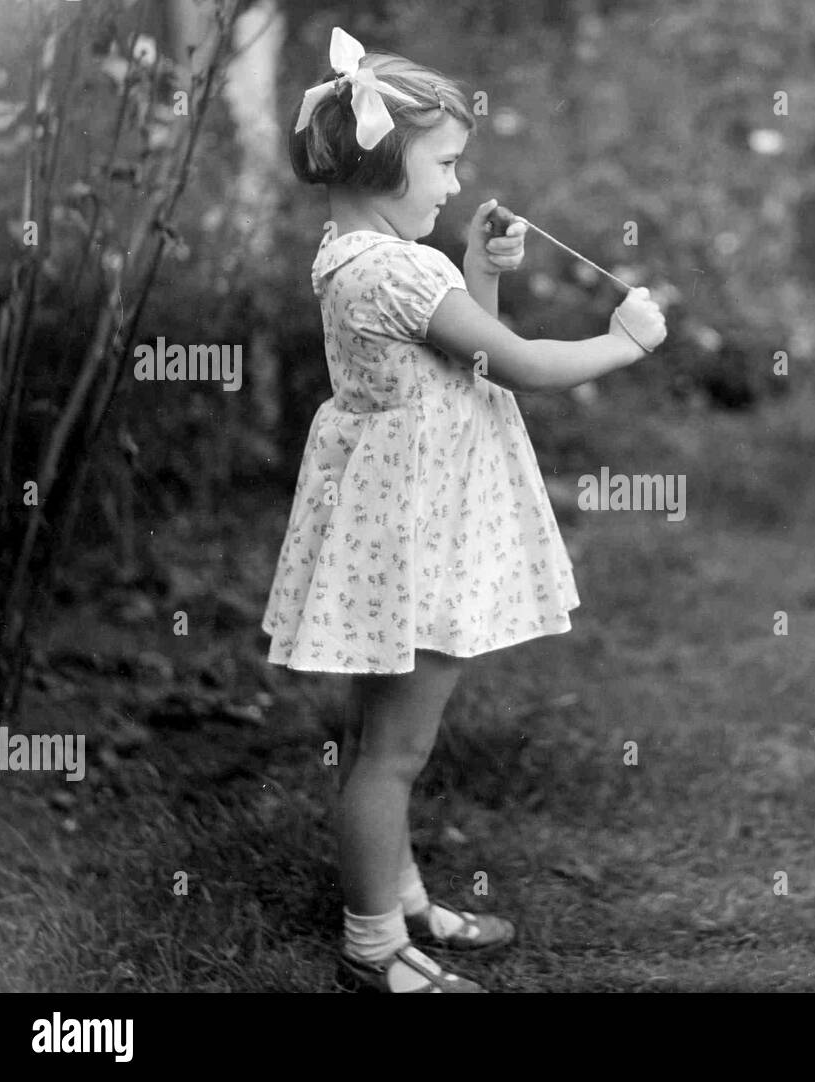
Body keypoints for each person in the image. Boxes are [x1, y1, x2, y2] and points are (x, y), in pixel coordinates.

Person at [262, 28, 667, 993]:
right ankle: (374, 947)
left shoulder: (351, 256)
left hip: (384, 533)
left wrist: (482, 268)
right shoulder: (404, 272)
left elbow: (464, 350)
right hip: (417, 537)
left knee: (374, 741)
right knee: (393, 754)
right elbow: (515, 363)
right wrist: (625, 343)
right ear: (385, 160)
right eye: (442, 165)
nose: (452, 186)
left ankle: (395, 897)